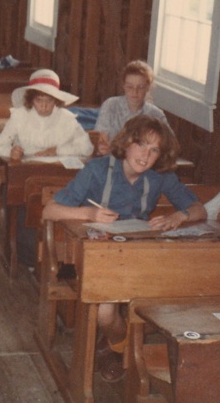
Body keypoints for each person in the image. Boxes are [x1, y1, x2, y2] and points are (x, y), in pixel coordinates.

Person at [42, 115, 206, 382]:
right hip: (91, 256)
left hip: (137, 255)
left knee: (178, 290)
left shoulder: (160, 176)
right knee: (106, 311)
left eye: (154, 150)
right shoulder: (96, 170)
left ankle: (121, 348)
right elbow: (49, 210)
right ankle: (122, 348)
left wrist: (179, 216)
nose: (146, 155)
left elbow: (199, 209)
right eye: (141, 144)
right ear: (127, 142)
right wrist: (88, 214)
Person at [0, 68, 93, 160]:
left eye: (49, 100)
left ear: (56, 100)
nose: (44, 106)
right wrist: (10, 151)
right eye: (38, 100)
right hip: (26, 170)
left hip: (57, 171)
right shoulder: (20, 116)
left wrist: (57, 150)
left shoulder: (67, 118)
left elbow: (87, 148)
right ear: (31, 100)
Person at [94, 60, 169, 155]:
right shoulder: (111, 105)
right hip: (111, 159)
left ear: (148, 87)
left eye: (140, 87)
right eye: (130, 87)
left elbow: (169, 144)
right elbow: (100, 137)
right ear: (123, 86)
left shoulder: (156, 114)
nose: (135, 91)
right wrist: (102, 146)